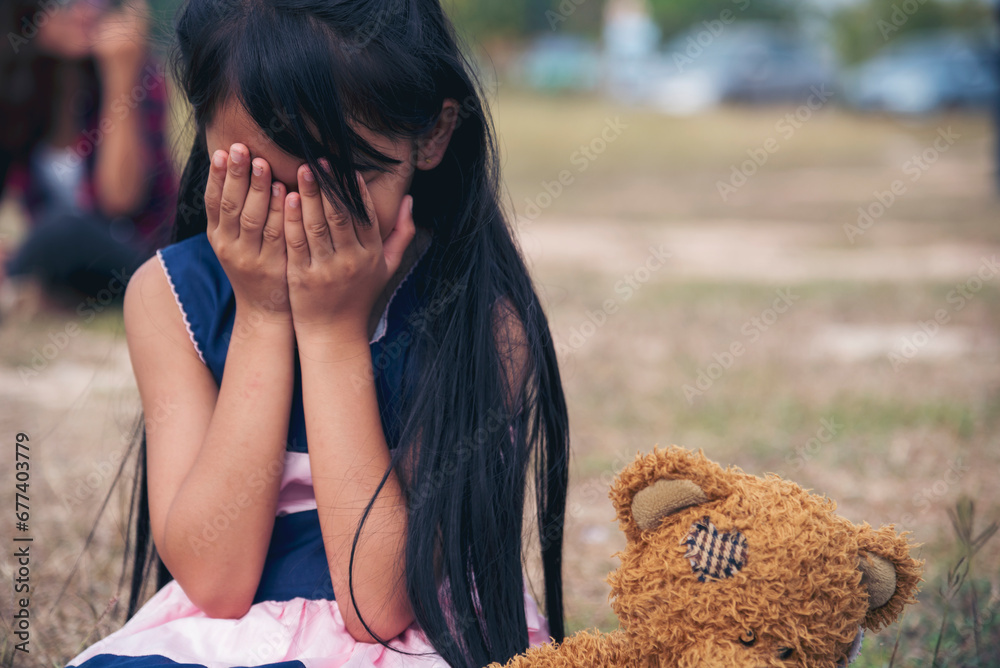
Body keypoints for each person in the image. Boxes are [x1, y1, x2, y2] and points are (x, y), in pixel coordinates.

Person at [64, 0, 570, 667]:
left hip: (412, 641)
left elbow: (378, 602)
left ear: (433, 135)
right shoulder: (170, 299)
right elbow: (213, 582)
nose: (301, 218)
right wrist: (264, 315)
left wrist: (332, 334)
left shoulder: (479, 319)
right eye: (259, 181)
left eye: (340, 181)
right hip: (218, 637)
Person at [0, 0, 176, 313]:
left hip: (138, 255)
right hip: (60, 260)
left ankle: (16, 283)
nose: (84, 11)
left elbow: (120, 200)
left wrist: (120, 78)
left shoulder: (136, 73)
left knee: (63, 229)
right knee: (54, 233)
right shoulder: (23, 86)